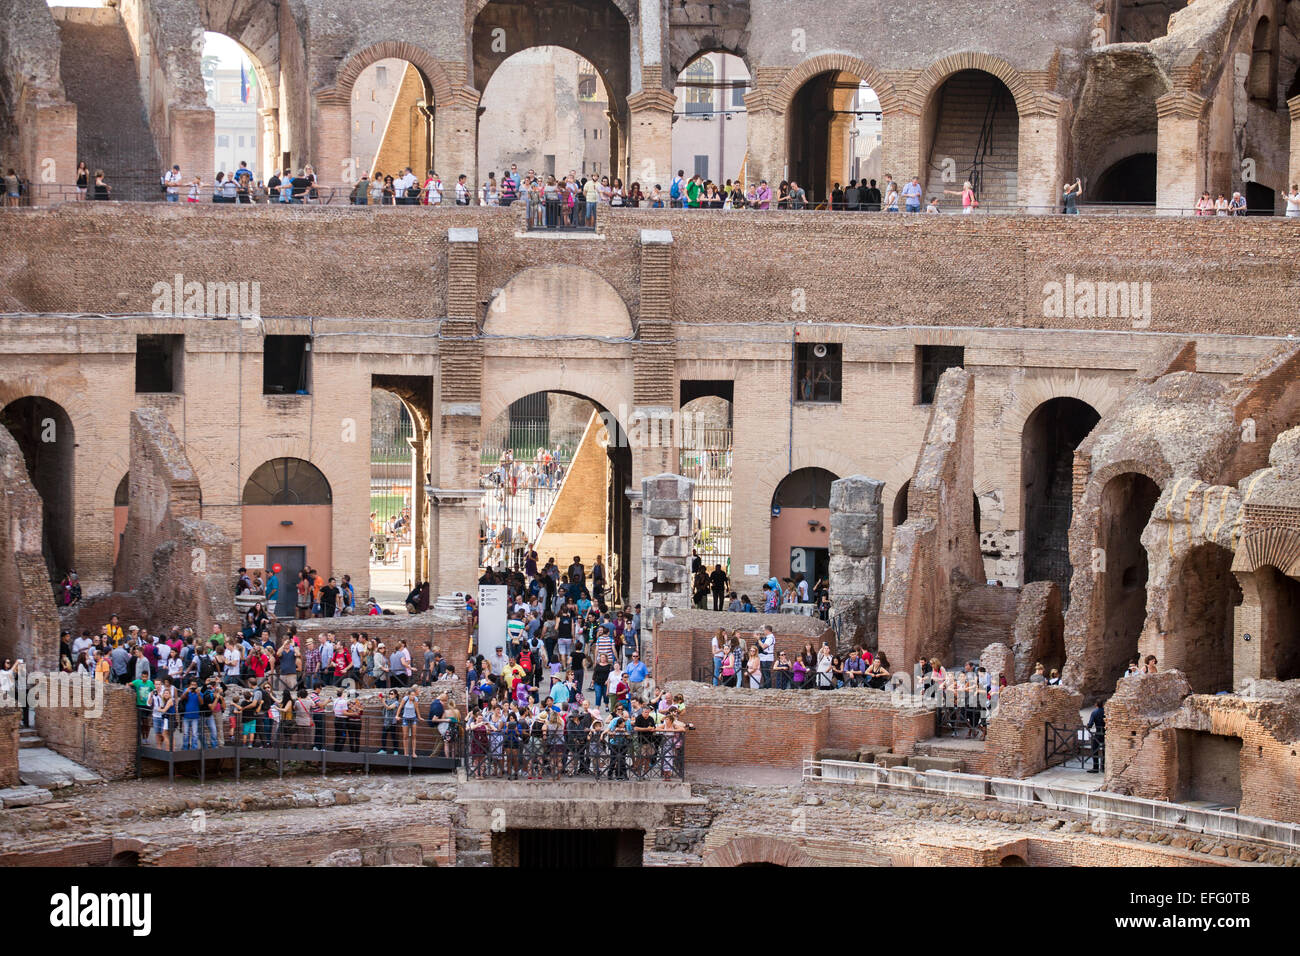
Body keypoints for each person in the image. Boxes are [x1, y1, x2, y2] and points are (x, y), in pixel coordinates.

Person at [1086, 700, 1105, 773]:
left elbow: (1090, 724)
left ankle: (1096, 767)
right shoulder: (1106, 712)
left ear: (1096, 704)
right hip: (1105, 733)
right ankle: (1103, 767)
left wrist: (1088, 726)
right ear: (1103, 705)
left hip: (1098, 733)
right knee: (1104, 750)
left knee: (1094, 749)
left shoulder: (1094, 712)